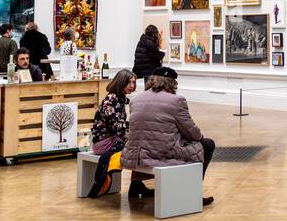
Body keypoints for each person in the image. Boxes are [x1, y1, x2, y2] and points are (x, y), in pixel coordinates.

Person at [122, 66, 215, 205]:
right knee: (207, 144)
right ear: (172, 83)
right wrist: (199, 137)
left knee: (146, 140)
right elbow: (192, 133)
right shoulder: (176, 101)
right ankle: (192, 195)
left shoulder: (136, 100)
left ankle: (135, 186)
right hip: (161, 153)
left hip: (134, 154)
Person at [90, 68, 136, 198]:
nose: (132, 86)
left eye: (133, 82)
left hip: (110, 139)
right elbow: (118, 127)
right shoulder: (112, 100)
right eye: (129, 83)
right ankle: (136, 184)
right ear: (121, 83)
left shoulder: (120, 99)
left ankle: (137, 184)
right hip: (102, 143)